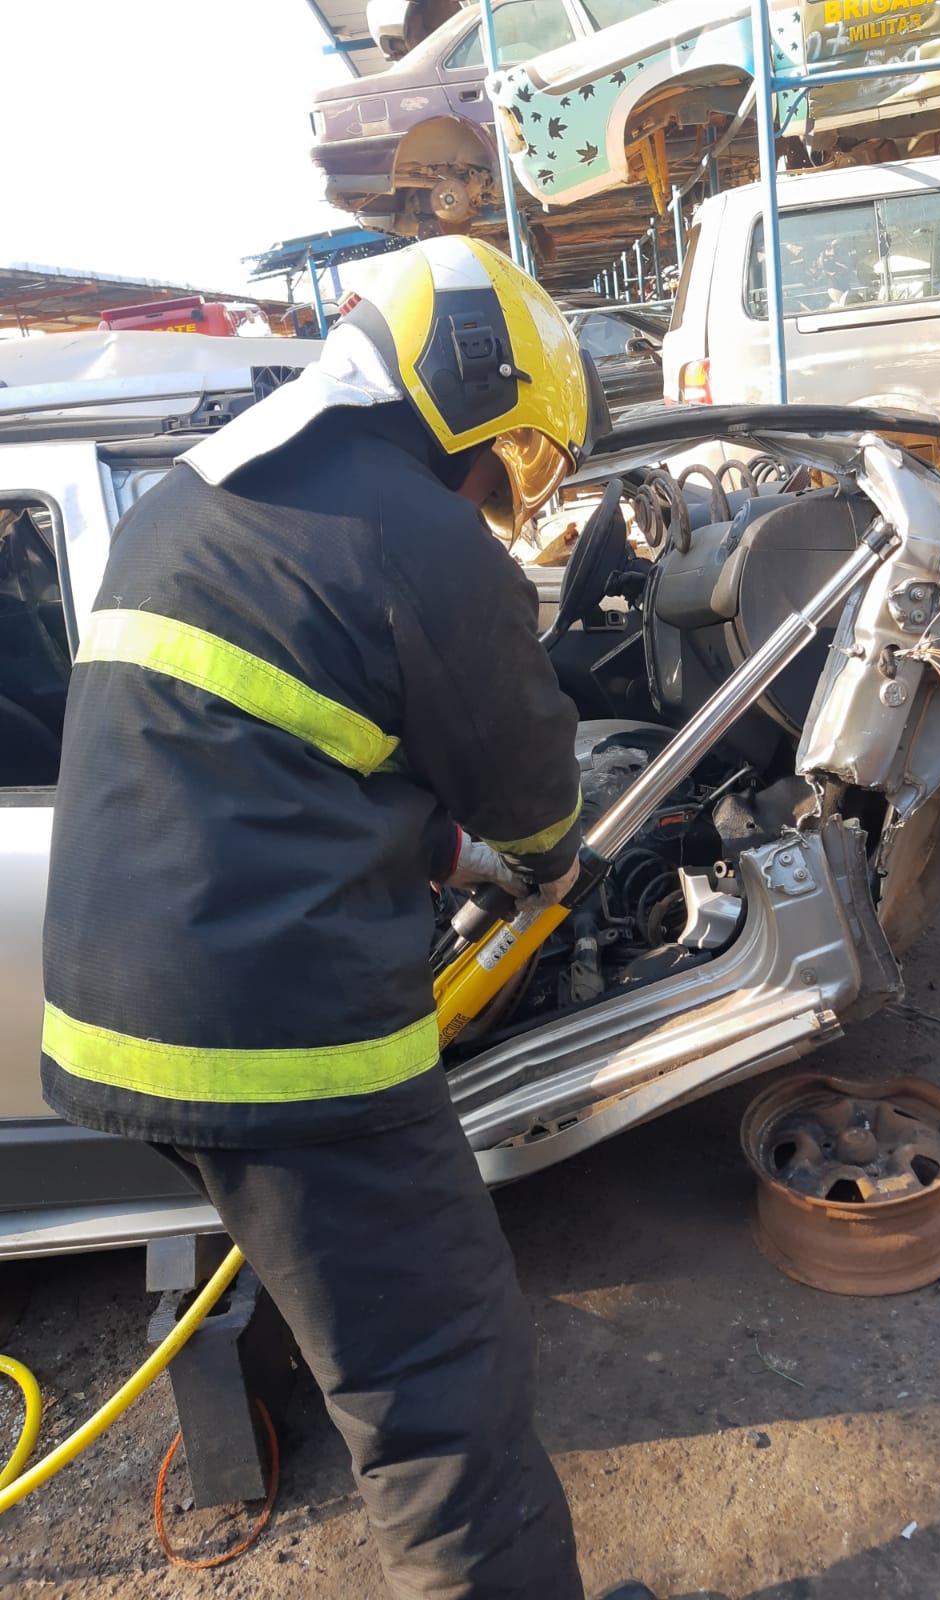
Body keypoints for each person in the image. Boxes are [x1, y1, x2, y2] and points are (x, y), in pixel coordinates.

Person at [40, 234, 657, 1600]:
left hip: (121, 1020)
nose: (505, 498)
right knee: (443, 1386)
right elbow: (538, 809)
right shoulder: (421, 538)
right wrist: (544, 862)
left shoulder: (210, 498)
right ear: (461, 396)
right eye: (513, 458)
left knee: (350, 1319)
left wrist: (430, 850)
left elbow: (265, 749)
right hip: (278, 1036)